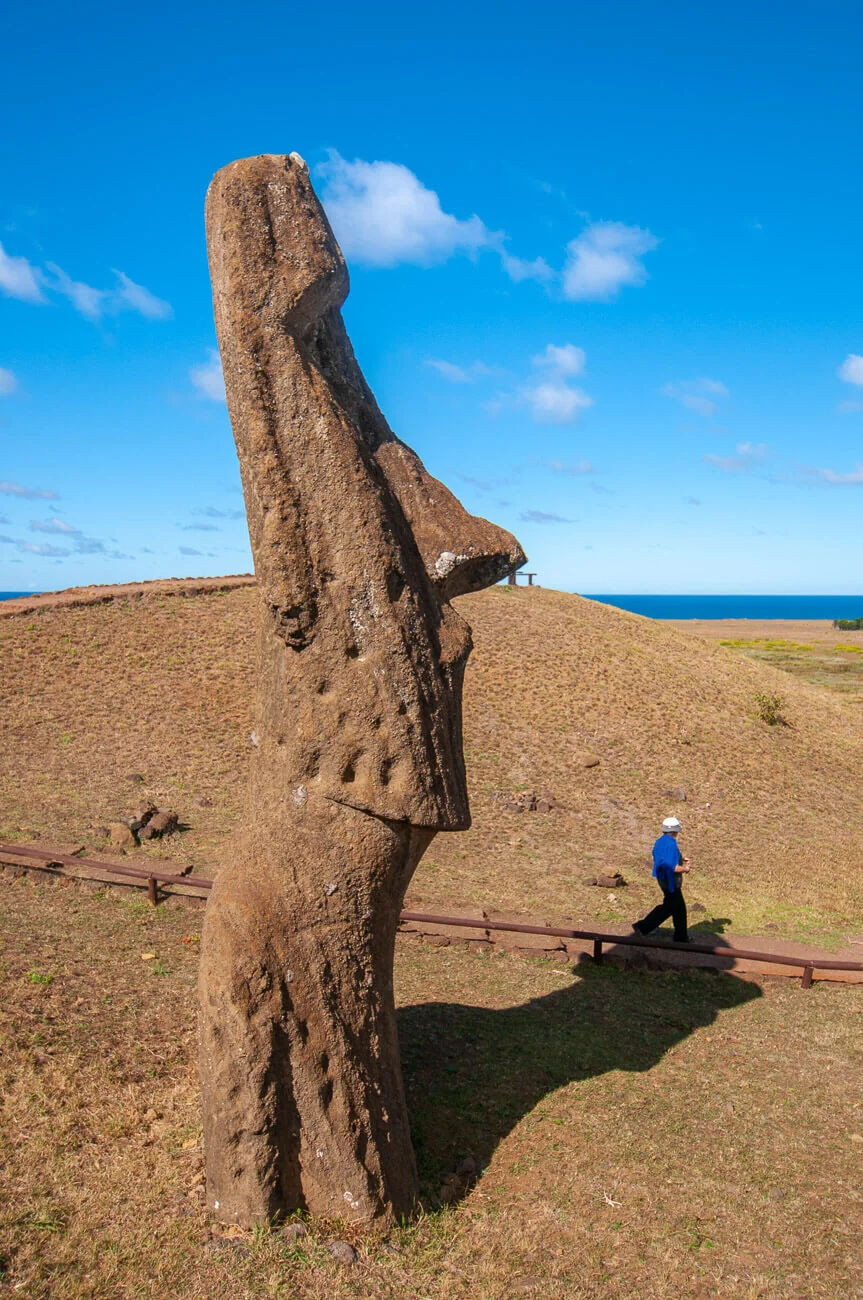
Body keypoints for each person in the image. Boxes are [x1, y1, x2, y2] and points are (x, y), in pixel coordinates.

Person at [632, 816, 690, 943]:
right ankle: (643, 927)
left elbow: (662, 858)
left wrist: (680, 859)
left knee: (676, 908)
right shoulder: (671, 844)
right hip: (670, 882)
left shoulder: (660, 841)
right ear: (675, 831)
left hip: (662, 879)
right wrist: (685, 869)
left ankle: (681, 937)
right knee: (672, 908)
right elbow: (671, 867)